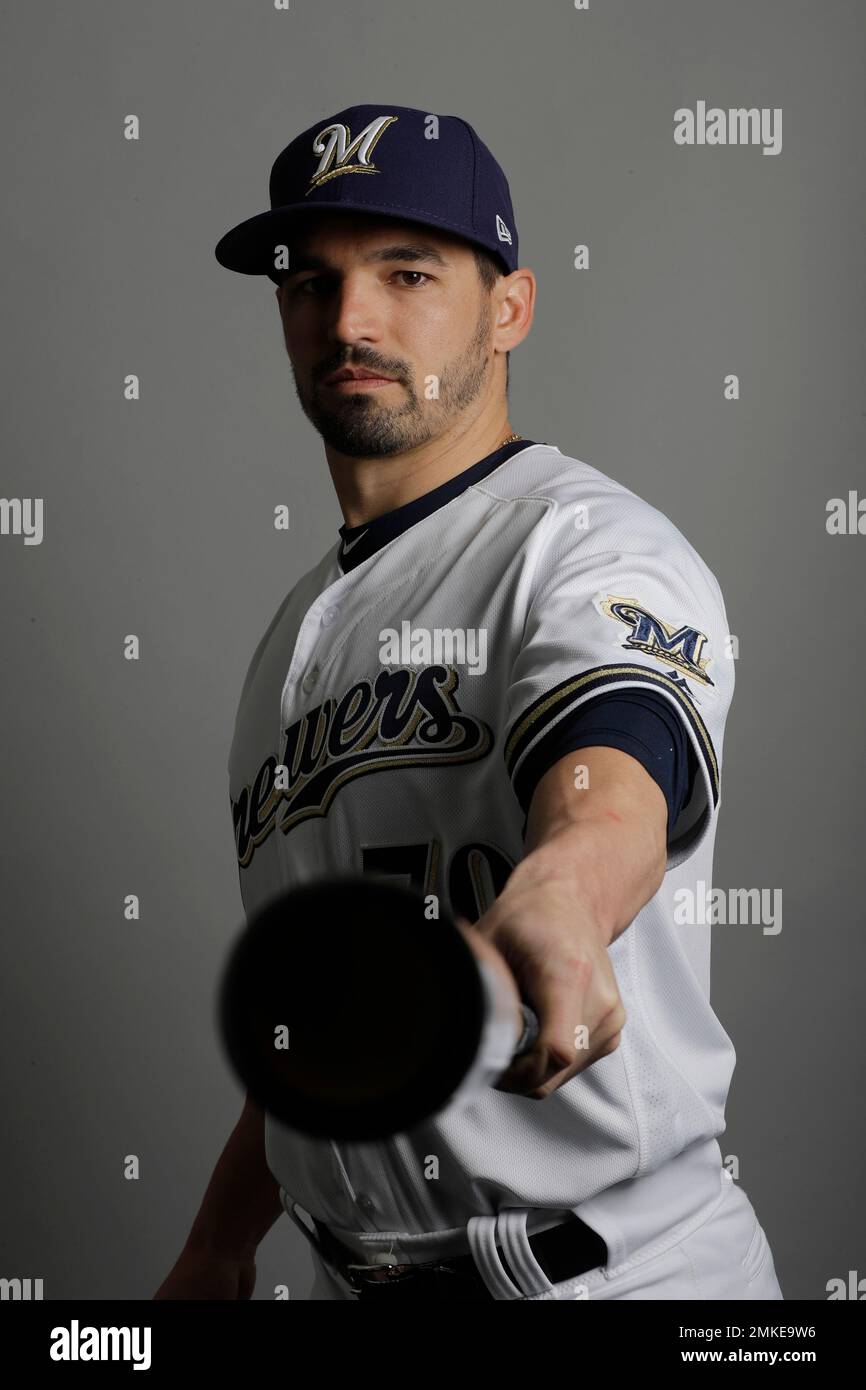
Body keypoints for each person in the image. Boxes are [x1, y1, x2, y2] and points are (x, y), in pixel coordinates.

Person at [155, 103, 782, 1301]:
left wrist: (562, 888)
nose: (350, 319)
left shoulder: (586, 544)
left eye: (407, 273)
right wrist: (220, 1238)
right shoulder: (291, 638)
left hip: (614, 1277)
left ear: (508, 309)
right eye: (311, 282)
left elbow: (613, 767)